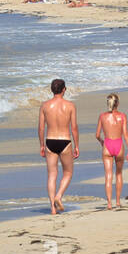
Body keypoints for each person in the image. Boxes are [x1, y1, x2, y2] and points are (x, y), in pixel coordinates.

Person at [39, 79, 79, 215]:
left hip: (50, 140)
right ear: (64, 89)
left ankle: (52, 208)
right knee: (68, 173)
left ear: (52, 90)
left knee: (52, 175)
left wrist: (41, 145)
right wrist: (77, 145)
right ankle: (59, 196)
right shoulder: (70, 106)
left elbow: (40, 128)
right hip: (65, 140)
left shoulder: (45, 106)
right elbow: (74, 128)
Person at [95, 93, 128, 209]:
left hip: (107, 145)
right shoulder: (122, 116)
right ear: (118, 103)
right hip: (119, 145)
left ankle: (109, 204)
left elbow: (97, 135)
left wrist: (102, 142)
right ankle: (117, 201)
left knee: (108, 175)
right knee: (119, 174)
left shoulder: (102, 116)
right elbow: (125, 134)